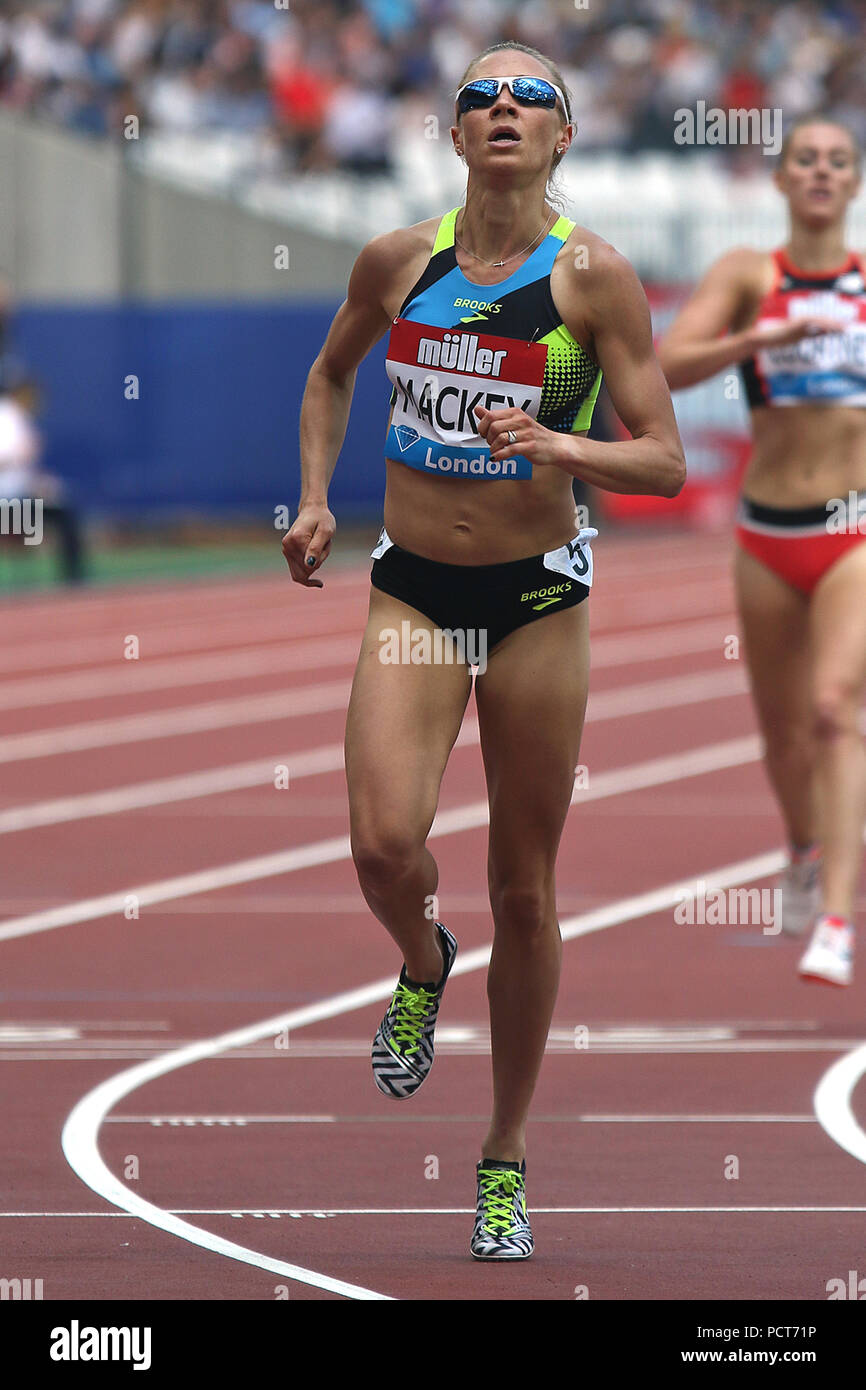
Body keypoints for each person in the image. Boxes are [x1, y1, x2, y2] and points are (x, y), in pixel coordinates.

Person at [283, 40, 684, 1260]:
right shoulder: (397, 263)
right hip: (411, 590)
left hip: (534, 602)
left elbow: (660, 457)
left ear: (562, 138)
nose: (502, 109)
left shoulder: (592, 279)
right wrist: (312, 497)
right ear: (451, 136)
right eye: (479, 98)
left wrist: (562, 450)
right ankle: (420, 955)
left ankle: (502, 1154)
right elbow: (328, 374)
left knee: (524, 884)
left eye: (530, 99)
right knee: (382, 841)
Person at [658, 116, 866, 988]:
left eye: (837, 161)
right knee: (782, 734)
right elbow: (666, 364)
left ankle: (840, 922)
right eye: (805, 161)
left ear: (854, 183)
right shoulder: (751, 274)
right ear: (781, 181)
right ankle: (803, 847)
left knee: (833, 708)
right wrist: (757, 340)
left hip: (853, 524)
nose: (820, 172)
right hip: (767, 535)